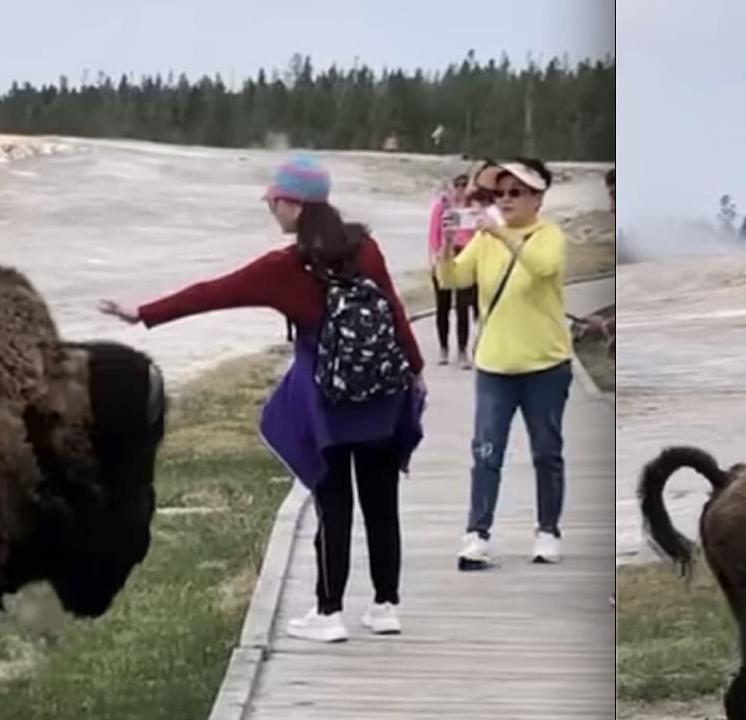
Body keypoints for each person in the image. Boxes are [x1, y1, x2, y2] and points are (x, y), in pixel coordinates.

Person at [100, 153, 426, 643]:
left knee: (333, 502)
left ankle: (329, 612)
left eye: (274, 201)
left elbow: (214, 292)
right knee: (382, 502)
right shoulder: (366, 247)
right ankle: (385, 606)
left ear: (293, 205)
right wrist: (415, 371)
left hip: (330, 404)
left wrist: (143, 313)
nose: (271, 209)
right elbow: (396, 310)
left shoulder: (285, 267)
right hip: (381, 394)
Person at [442, 156, 571, 569]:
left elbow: (542, 268)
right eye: (500, 193)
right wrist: (446, 245)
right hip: (495, 366)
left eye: (516, 192)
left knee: (546, 451)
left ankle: (547, 531)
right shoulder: (484, 239)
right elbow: (452, 279)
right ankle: (476, 534)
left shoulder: (549, 235)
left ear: (538, 198)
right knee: (486, 452)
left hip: (545, 365)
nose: (506, 199)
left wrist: (500, 233)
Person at [426, 173, 480, 368]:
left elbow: (478, 236)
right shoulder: (441, 207)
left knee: (463, 306)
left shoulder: (473, 209)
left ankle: (463, 349)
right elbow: (433, 235)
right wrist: (433, 258)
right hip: (444, 255)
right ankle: (443, 347)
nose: (461, 189)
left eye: (465, 186)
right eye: (458, 185)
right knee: (443, 305)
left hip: (465, 256)